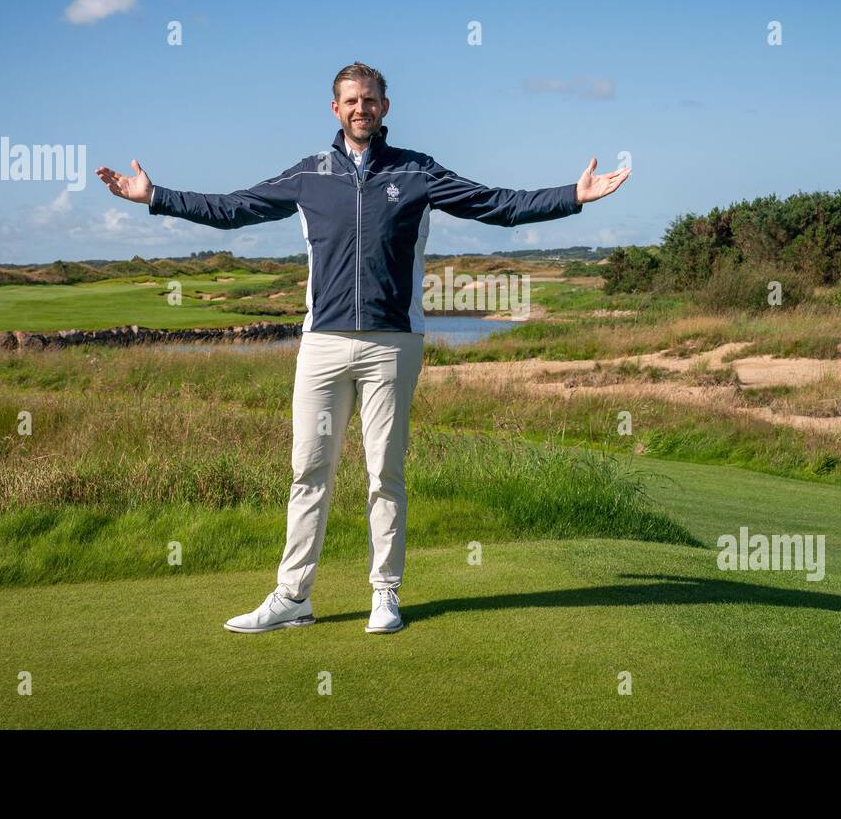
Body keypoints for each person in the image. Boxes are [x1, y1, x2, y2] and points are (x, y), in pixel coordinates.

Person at [96, 61, 629, 634]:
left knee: (385, 475)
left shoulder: (417, 172)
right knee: (309, 472)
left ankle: (385, 595)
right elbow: (233, 210)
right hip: (322, 343)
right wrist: (156, 196)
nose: (361, 109)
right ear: (335, 109)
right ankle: (292, 597)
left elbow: (494, 204)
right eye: (350, 101)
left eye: (370, 100)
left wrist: (573, 195)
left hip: (392, 344)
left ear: (385, 107)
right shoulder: (310, 174)